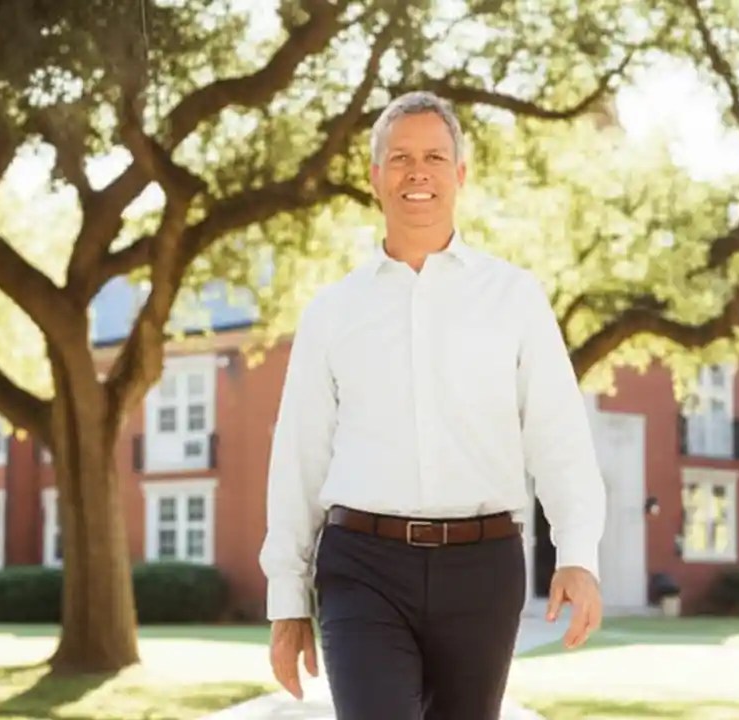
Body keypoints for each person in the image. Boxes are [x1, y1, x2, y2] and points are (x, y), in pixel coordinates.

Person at [259, 90, 607, 719]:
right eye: (399, 158)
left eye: (434, 157)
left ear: (460, 174)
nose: (417, 172)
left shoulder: (514, 297)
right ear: (374, 178)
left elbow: (558, 435)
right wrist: (287, 598)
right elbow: (299, 457)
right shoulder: (333, 312)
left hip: (483, 569)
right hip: (362, 569)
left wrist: (577, 554)